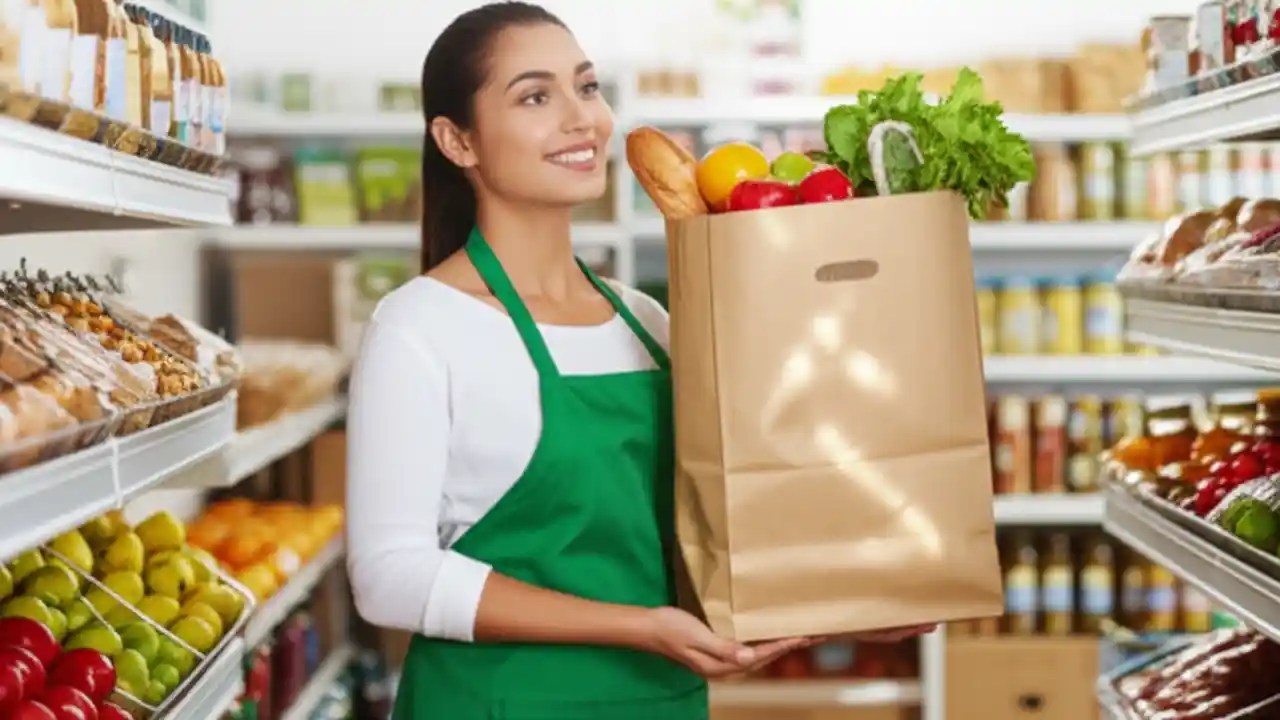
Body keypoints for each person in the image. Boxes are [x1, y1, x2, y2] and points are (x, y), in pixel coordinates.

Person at [345, 3, 934, 718]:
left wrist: (848, 601)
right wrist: (639, 628)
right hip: (498, 702)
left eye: (587, 88)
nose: (583, 119)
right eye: (536, 96)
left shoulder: (646, 322)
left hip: (657, 703)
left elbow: (703, 539)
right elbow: (389, 578)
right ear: (456, 140)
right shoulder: (421, 326)